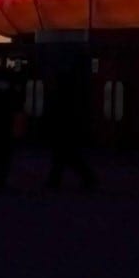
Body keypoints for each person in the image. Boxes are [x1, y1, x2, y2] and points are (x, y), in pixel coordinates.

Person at [44, 51, 97, 190]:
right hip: (68, 129)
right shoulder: (72, 93)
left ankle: (56, 181)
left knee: (64, 157)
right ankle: (85, 178)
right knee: (67, 157)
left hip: (64, 130)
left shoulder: (61, 96)